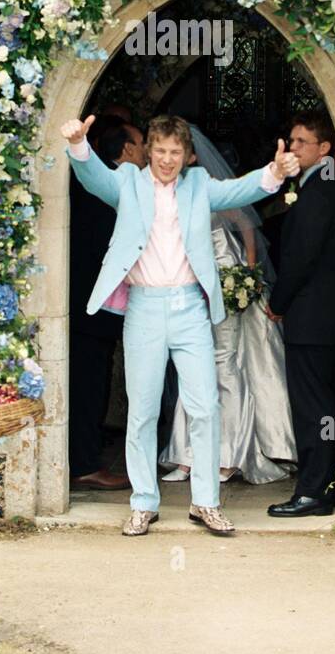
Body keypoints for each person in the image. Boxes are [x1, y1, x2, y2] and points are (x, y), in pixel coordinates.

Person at [61, 112, 300, 537]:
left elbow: (238, 189)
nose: (167, 159)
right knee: (143, 410)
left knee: (205, 406)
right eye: (160, 151)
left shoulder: (198, 186)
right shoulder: (129, 183)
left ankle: (205, 502)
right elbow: (93, 178)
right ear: (149, 151)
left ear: (187, 156)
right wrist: (79, 144)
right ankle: (143, 503)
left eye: (175, 152)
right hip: (144, 308)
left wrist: (274, 172)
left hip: (190, 306)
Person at [160, 123, 297, 485]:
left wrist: (248, 272)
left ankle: (228, 455)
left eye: (180, 150)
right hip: (190, 290)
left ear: (191, 154)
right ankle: (186, 455)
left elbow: (245, 222)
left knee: (225, 369)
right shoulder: (167, 192)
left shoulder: (209, 186)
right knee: (190, 370)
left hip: (226, 286)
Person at [266, 110, 335, 517]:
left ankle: (313, 489)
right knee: (323, 404)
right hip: (322, 320)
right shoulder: (319, 185)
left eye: (301, 142)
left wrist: (278, 303)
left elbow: (301, 256)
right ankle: (325, 484)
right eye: (291, 140)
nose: (293, 148)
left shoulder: (320, 192)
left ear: (324, 149)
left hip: (312, 319)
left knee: (314, 407)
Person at [69, 115, 144, 491]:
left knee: (93, 382)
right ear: (128, 150)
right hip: (91, 309)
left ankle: (87, 456)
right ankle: (83, 464)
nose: (147, 152)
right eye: (143, 144)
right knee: (89, 384)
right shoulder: (110, 190)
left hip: (92, 309)